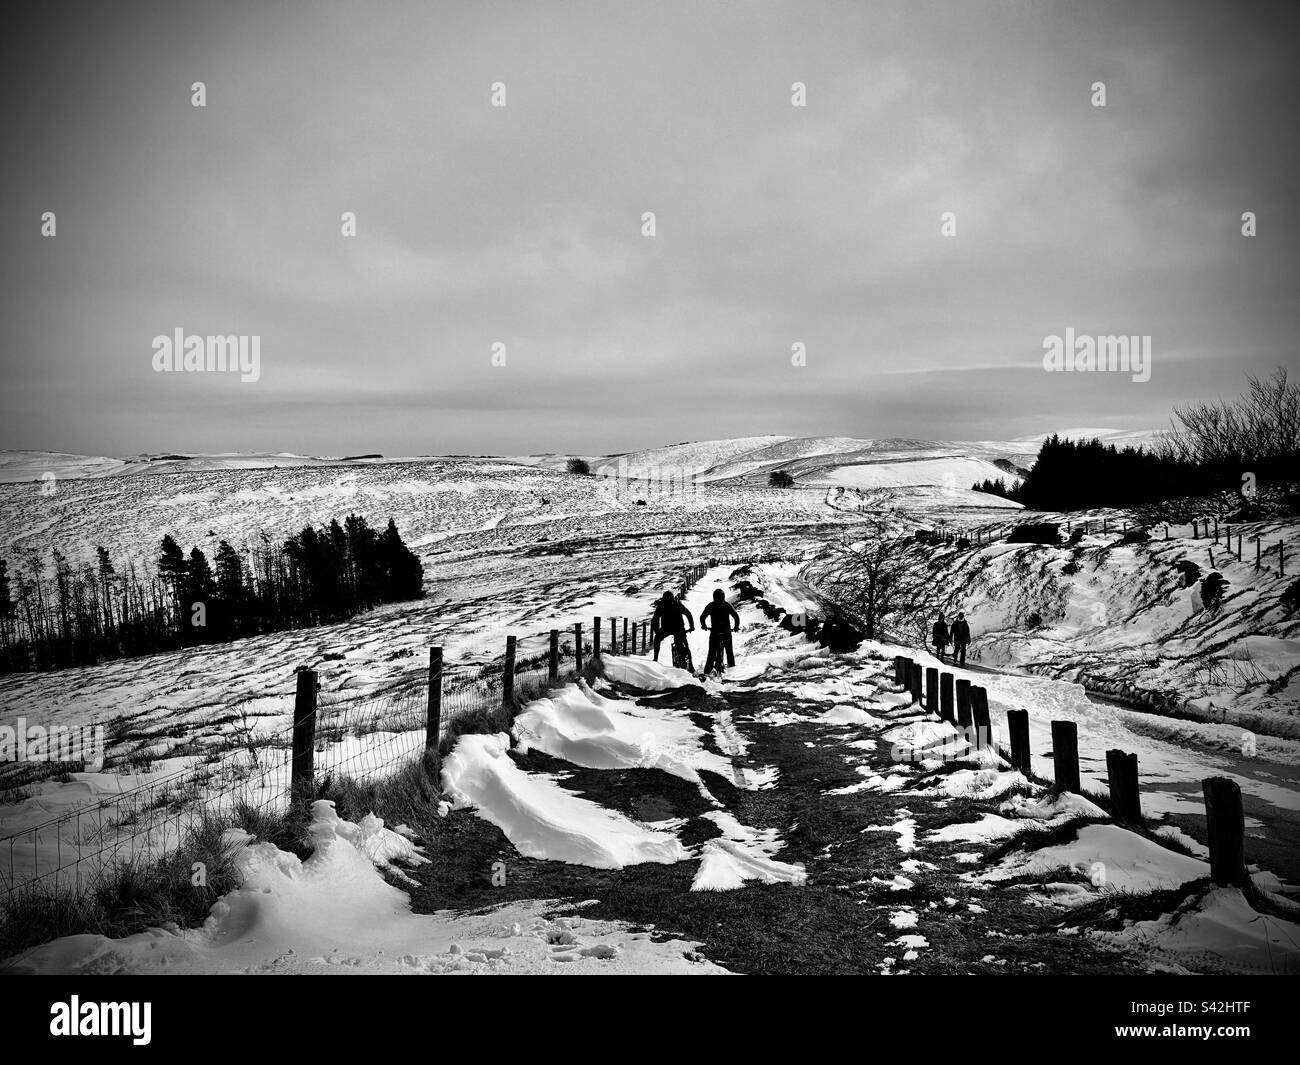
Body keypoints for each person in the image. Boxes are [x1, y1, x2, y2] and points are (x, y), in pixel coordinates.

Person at [700, 588, 741, 676]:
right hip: (726, 632)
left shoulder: (711, 605)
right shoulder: (727, 605)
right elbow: (736, 616)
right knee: (729, 652)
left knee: (711, 652)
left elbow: (702, 617)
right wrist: (736, 627)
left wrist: (704, 625)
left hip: (714, 632)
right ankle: (733, 670)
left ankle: (707, 671)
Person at [651, 590, 694, 664]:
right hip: (679, 628)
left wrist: (657, 631)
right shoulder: (677, 604)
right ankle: (690, 665)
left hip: (666, 628)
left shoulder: (662, 605)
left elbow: (655, 619)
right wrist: (691, 626)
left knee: (657, 639)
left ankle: (655, 658)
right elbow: (688, 614)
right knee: (684, 645)